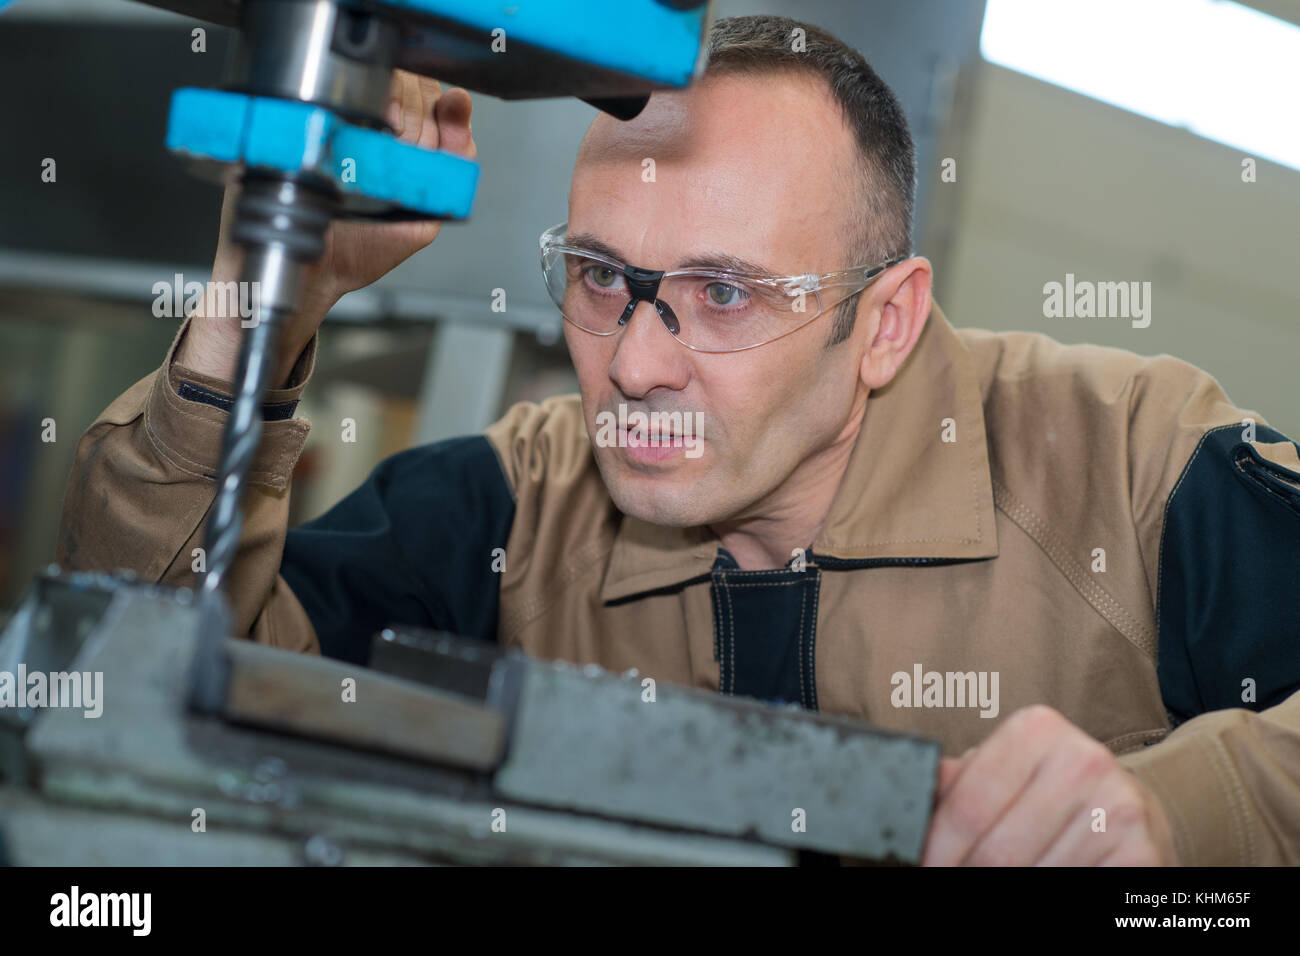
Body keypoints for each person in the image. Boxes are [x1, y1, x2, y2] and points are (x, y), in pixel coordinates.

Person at [56, 15, 1300, 865]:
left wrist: (1183, 809)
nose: (635, 362)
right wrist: (264, 293)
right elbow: (125, 684)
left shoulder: (1131, 464)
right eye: (600, 276)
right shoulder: (513, 506)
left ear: (885, 322)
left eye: (725, 292)